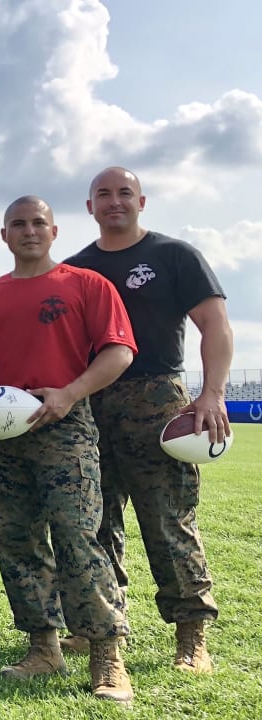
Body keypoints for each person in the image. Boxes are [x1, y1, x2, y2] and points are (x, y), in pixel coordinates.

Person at [0, 196, 137, 703]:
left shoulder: (86, 284)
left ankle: (107, 656)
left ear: (54, 231)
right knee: (16, 537)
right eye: (19, 223)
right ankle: (44, 646)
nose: (29, 231)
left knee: (79, 536)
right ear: (4, 234)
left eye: (39, 223)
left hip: (64, 423)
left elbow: (119, 350)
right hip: (7, 433)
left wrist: (70, 393)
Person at [61, 167, 233, 672]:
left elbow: (215, 325)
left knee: (167, 519)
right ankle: (104, 623)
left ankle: (191, 635)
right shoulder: (75, 270)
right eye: (103, 195)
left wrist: (213, 394)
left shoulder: (173, 256)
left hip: (157, 397)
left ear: (142, 200)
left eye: (124, 193)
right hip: (91, 403)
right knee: (94, 521)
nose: (114, 202)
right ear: (89, 206)